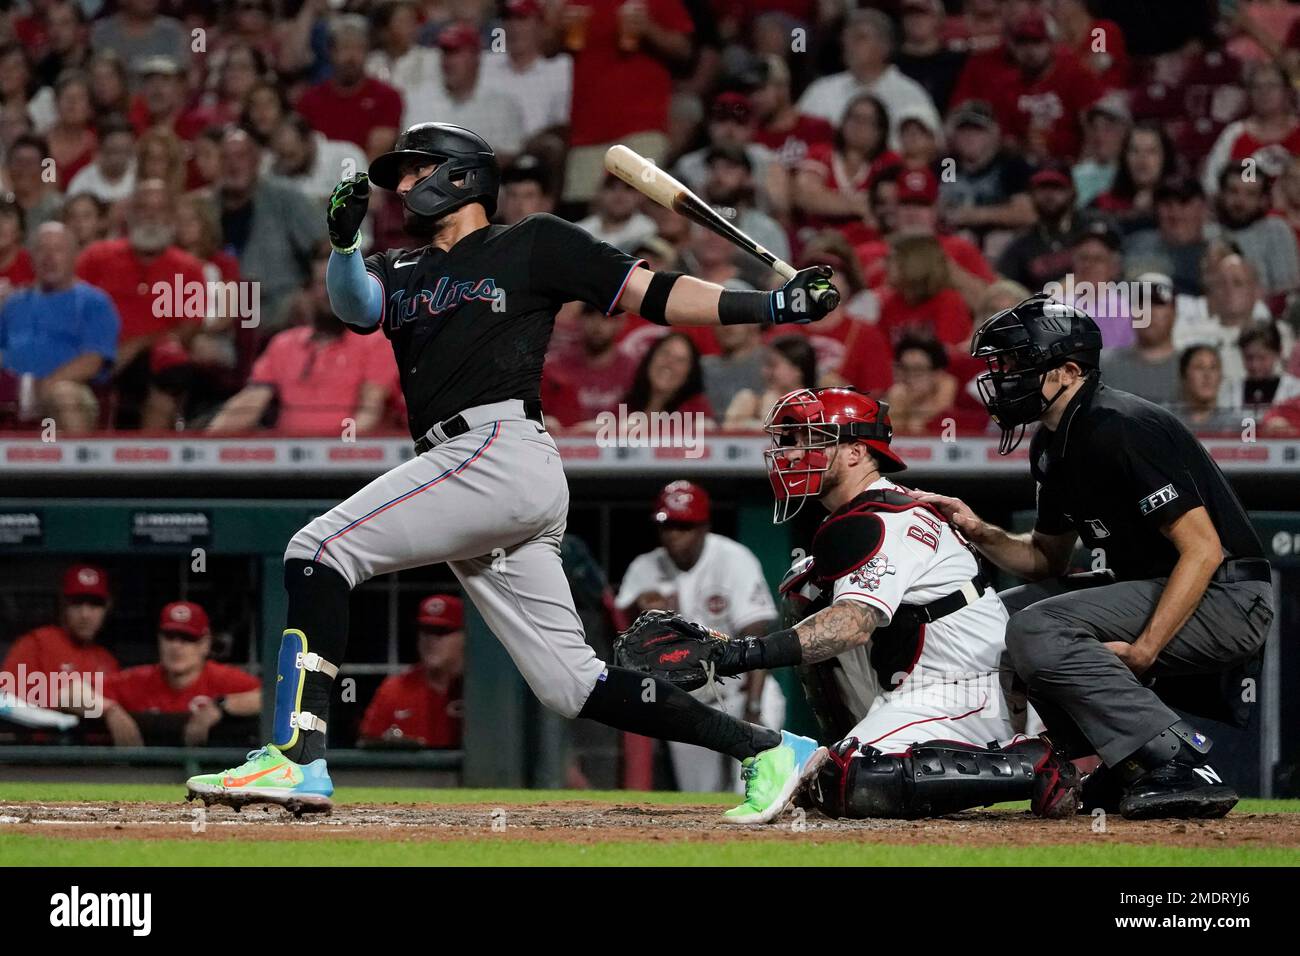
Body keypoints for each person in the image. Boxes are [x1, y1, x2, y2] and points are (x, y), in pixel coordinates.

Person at [185, 121, 839, 824]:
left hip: (496, 450)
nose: (402, 185)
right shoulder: (401, 267)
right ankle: (771, 748)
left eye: (415, 169)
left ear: (460, 174)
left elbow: (652, 291)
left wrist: (770, 304)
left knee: (317, 551)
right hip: (473, 468)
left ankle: (297, 756)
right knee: (570, 681)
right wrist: (344, 245)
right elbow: (355, 308)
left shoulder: (533, 242)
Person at [627, 387, 1064, 819]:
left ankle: (1031, 765)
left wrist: (733, 654)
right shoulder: (862, 516)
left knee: (847, 779)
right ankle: (859, 743)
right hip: (923, 688)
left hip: (965, 688)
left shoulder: (875, 520)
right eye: (789, 441)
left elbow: (853, 624)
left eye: (809, 440)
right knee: (804, 592)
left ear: (855, 452)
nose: (791, 453)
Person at [921, 295, 1273, 819]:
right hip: (1161, 586)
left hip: (1226, 595)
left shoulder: (1120, 425)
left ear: (1067, 371)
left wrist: (1147, 649)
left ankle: (1173, 760)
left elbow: (1202, 551)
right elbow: (1047, 560)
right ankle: (1111, 764)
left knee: (1038, 629)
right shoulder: (1051, 445)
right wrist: (979, 530)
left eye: (1018, 363)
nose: (1005, 377)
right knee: (1003, 619)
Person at [616, 482, 784, 793]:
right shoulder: (645, 568)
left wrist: (754, 705)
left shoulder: (734, 559)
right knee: (697, 796)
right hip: (687, 698)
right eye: (667, 526)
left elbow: (758, 635)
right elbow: (618, 637)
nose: (674, 535)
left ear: (705, 526)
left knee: (752, 789)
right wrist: (640, 618)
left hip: (741, 688)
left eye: (684, 526)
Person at [207, 252, 398, 435]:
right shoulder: (283, 344)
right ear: (308, 292)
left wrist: (333, 451)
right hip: (286, 459)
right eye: (322, 284)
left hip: (351, 458)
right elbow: (252, 400)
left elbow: (369, 413)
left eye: (340, 283)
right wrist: (206, 441)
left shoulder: (376, 342)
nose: (330, 292)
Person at [0, 222, 119, 434]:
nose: (49, 257)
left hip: (71, 391)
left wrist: (43, 387)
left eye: (58, 250)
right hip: (13, 395)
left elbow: (93, 360)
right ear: (31, 258)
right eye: (42, 250)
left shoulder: (95, 302)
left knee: (63, 396)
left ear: (74, 256)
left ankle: (81, 466)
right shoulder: (14, 303)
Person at [101, 601, 261, 748]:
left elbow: (274, 698)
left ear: (205, 644)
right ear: (159, 640)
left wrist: (220, 705)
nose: (176, 646)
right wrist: (109, 710)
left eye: (187, 638)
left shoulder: (223, 678)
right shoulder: (137, 680)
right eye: (170, 637)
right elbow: (77, 692)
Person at [1, 564, 122, 735]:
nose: (85, 614)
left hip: (94, 756)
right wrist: (60, 701)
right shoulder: (37, 643)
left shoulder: (107, 661)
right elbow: (3, 701)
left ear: (107, 607)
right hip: (42, 754)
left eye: (95, 605)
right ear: (64, 605)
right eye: (77, 604)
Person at [797, 8, 941, 143]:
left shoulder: (910, 95)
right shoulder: (821, 91)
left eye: (860, 38)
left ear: (885, 47)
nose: (848, 44)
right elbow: (797, 138)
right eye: (846, 37)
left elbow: (930, 147)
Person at [402, 22, 524, 160]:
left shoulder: (501, 104)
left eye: (455, 53)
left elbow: (510, 154)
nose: (448, 62)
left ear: (475, 57)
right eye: (445, 53)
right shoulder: (420, 100)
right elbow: (411, 152)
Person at [359, 593, 464, 748]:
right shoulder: (395, 689)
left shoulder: (481, 692)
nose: (430, 640)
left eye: (441, 632)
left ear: (465, 637)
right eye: (425, 631)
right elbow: (367, 745)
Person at [295, 15, 403, 161]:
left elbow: (374, 156)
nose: (351, 57)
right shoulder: (309, 100)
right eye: (345, 47)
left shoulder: (387, 97)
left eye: (358, 48)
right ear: (331, 52)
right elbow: (303, 152)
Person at [480, 0, 572, 143]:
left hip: (537, 155)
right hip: (488, 151)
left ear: (540, 26)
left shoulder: (559, 69)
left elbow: (562, 125)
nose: (514, 27)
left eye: (522, 19)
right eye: (508, 19)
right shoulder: (486, 64)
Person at [540, 303, 637, 429]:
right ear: (579, 320)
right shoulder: (555, 367)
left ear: (620, 324)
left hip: (613, 444)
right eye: (590, 316)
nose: (597, 325)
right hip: (563, 443)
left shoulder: (633, 369)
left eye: (606, 319)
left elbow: (642, 417)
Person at [1214, 167, 1300, 297]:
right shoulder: (1208, 232)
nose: (1240, 201)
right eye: (1233, 191)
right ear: (1221, 194)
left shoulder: (1275, 230)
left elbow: (1286, 291)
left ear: (1263, 200)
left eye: (1250, 194)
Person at [1100, 272, 1181, 405]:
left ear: (1174, 311)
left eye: (1157, 303)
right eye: (1141, 303)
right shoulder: (1104, 366)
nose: (1149, 312)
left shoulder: (1192, 368)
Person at [1123, 175, 1212, 296]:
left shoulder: (1215, 255)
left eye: (1184, 203)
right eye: (1167, 204)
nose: (1175, 213)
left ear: (1203, 209)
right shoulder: (1134, 244)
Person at [994, 163, 1078, 291]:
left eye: (1056, 187)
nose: (1049, 195)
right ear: (1031, 194)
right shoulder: (1021, 246)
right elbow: (1005, 290)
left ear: (1071, 192)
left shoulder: (1090, 230)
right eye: (1042, 188)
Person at [724, 334, 816, 429]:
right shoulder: (750, 402)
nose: (765, 371)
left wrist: (770, 410)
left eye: (772, 365)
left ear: (798, 370)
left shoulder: (817, 405)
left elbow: (794, 430)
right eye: (766, 365)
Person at [883, 333, 958, 434]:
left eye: (918, 370)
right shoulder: (898, 393)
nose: (909, 377)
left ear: (937, 373)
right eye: (904, 369)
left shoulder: (947, 388)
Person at [575, 173, 656, 252]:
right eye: (612, 187)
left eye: (628, 188)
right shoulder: (580, 230)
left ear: (640, 196)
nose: (619, 194)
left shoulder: (648, 230)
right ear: (600, 193)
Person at [66, 114, 136, 205]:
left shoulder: (141, 175)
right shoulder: (82, 183)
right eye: (113, 151)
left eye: (125, 151)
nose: (120, 158)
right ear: (99, 149)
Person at [1173, 344, 1244, 433]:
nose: (1207, 375)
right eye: (1199, 367)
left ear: (1220, 377)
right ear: (1184, 376)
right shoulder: (1170, 424)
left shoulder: (1236, 426)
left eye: (1213, 367)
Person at [497, 154, 554, 226]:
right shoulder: (486, 235)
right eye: (512, 195)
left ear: (546, 204)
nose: (518, 203)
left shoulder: (562, 236)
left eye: (528, 196)